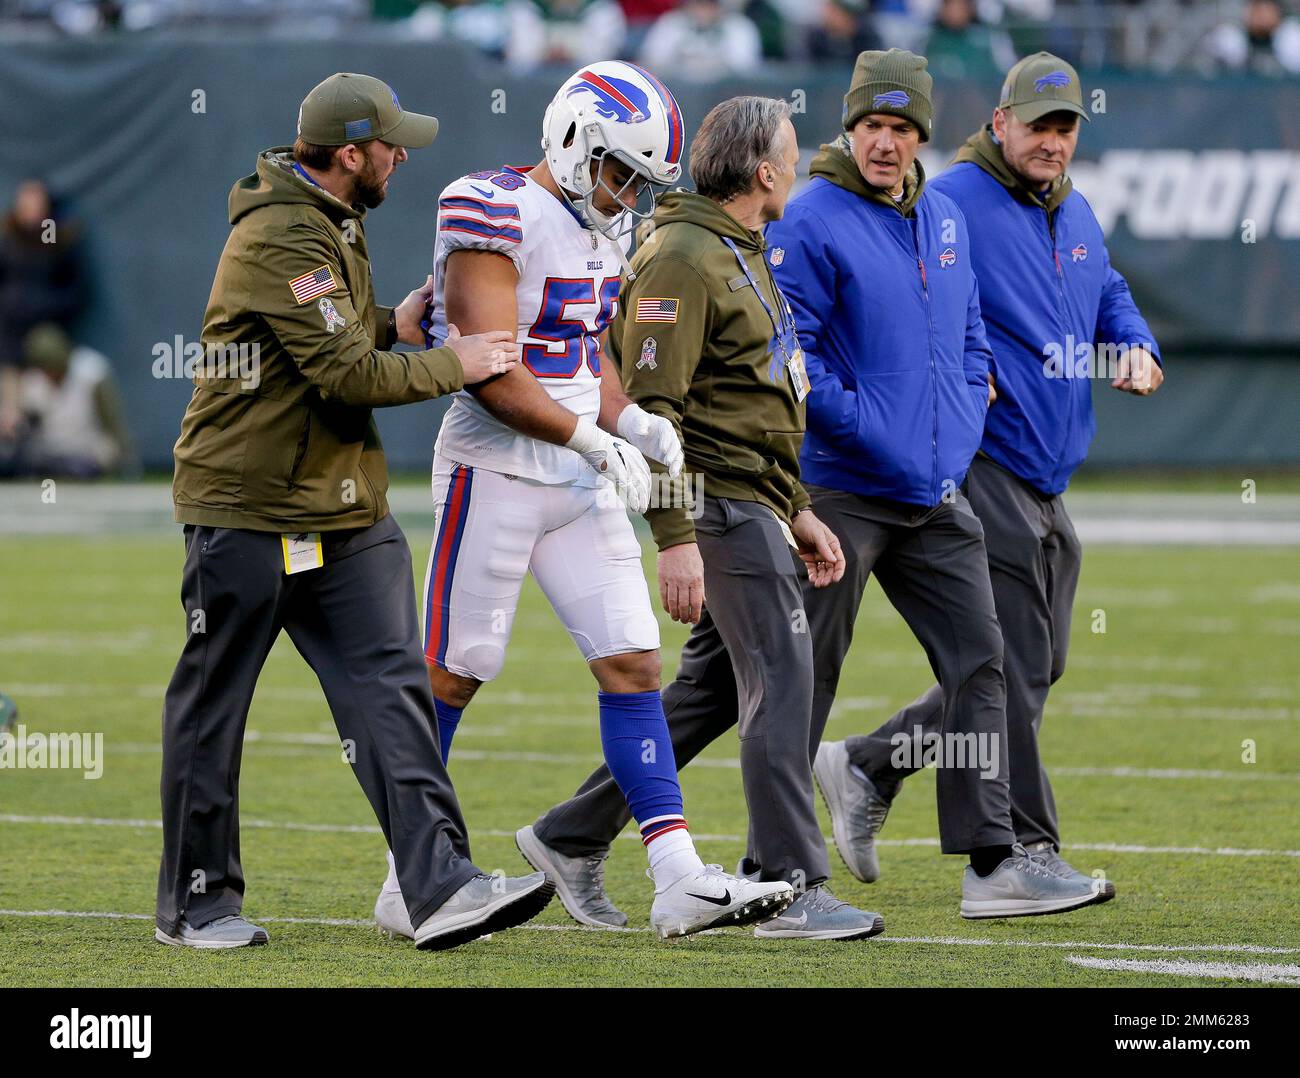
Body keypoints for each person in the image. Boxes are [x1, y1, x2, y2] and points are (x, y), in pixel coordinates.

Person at [372, 63, 794, 943]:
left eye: (643, 181)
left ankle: (677, 876)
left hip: (573, 477)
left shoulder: (602, 228)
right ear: (572, 140)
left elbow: (578, 352)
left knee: (634, 660)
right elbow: (489, 362)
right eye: (622, 172)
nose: (629, 194)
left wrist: (630, 418)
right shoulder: (490, 207)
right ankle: (411, 876)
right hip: (496, 469)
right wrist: (591, 438)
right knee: (455, 670)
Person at [157, 72, 549, 952]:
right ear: (346, 155)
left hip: (341, 507)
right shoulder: (281, 233)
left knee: (393, 694)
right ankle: (197, 904)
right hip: (247, 508)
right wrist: (463, 359)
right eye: (390, 143)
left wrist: (388, 324)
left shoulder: (330, 218)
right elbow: (341, 377)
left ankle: (441, 886)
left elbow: (332, 339)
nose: (403, 154)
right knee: (213, 708)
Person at [524, 95, 886, 942]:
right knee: (784, 680)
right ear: (764, 171)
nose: (800, 163)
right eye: (792, 152)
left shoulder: (739, 246)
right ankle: (787, 882)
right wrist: (679, 541)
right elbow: (655, 416)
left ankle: (568, 836)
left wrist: (796, 508)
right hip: (716, 505)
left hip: (754, 499)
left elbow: (756, 397)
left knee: (713, 692)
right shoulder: (684, 256)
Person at [767, 48, 1110, 919]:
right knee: (795, 675)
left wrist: (953, 427)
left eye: (903, 128)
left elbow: (967, 336)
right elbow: (789, 355)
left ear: (923, 133)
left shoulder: (935, 214)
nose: (887, 144)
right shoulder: (819, 215)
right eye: (873, 126)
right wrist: (880, 426)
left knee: (988, 663)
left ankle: (990, 861)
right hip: (843, 487)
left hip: (938, 484)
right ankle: (773, 868)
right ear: (850, 126)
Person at [0, 178, 86, 444]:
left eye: (36, 201)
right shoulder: (6, 243)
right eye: (25, 200)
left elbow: (78, 293)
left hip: (47, 343)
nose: (30, 207)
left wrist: (41, 305)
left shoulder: (60, 245)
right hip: (10, 344)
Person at [3, 323, 134, 478]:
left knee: (91, 462)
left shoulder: (91, 373)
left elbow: (112, 421)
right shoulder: (33, 380)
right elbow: (27, 427)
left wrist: (127, 459)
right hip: (48, 454)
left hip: (88, 451)